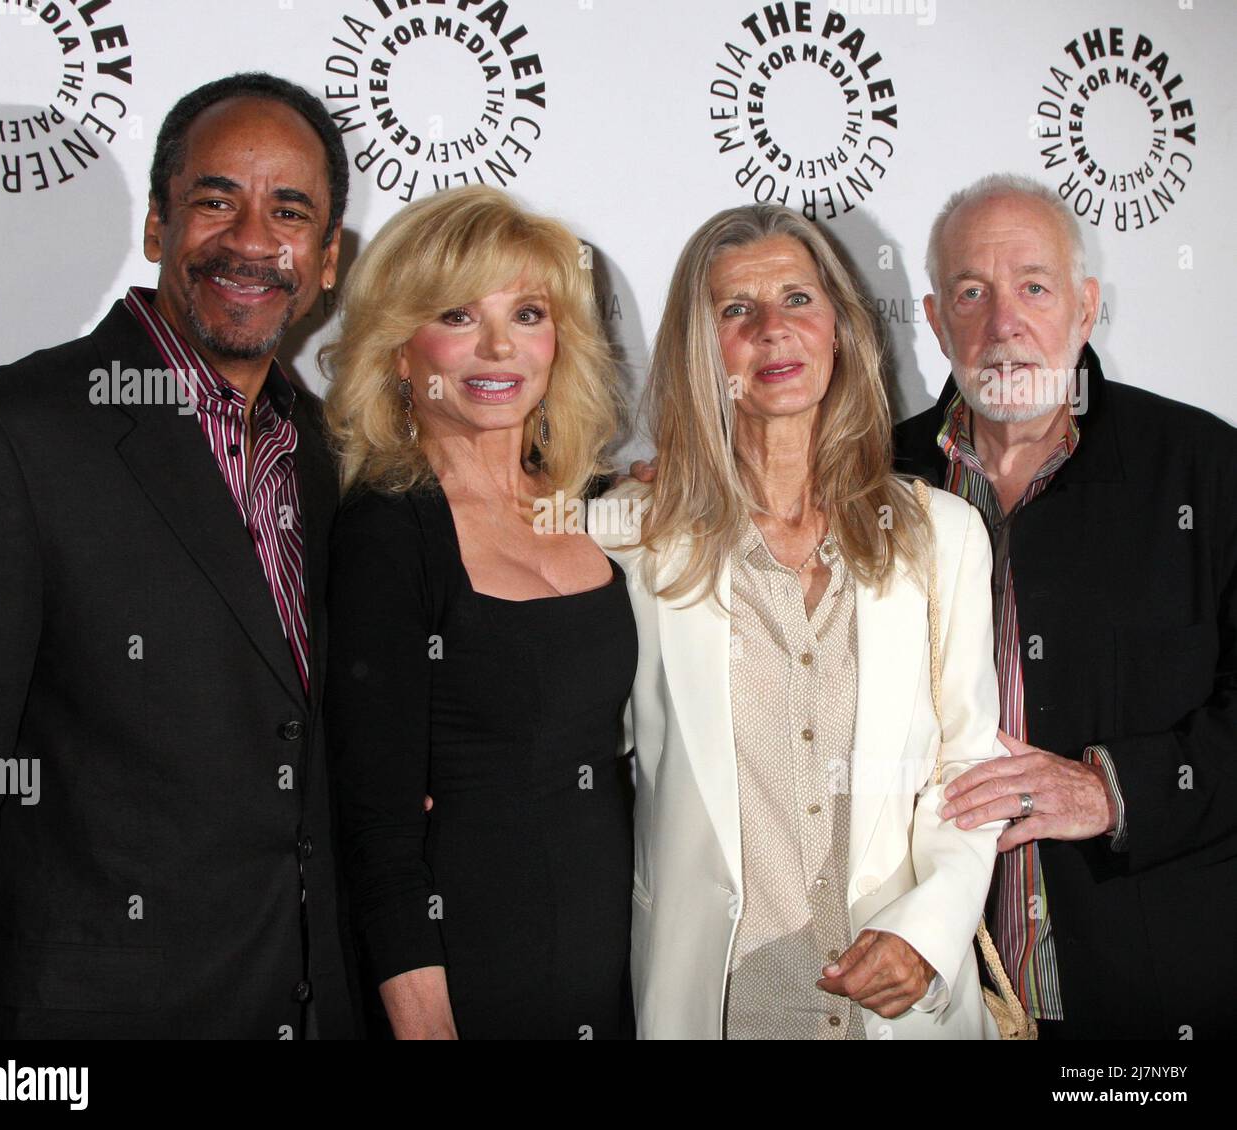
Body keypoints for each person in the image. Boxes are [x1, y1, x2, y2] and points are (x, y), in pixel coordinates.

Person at [0, 73, 359, 1039]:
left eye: (289, 212)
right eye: (217, 201)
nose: (253, 242)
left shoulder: (331, 457)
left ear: (328, 257)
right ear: (159, 228)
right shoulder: (7, 439)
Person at [597, 204, 1006, 1039]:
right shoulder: (628, 538)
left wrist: (927, 934)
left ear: (841, 330)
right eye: (736, 311)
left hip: (901, 1011)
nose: (773, 331)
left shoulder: (942, 537)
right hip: (717, 1007)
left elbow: (969, 774)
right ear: (700, 350)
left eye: (798, 300)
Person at [895, 173, 1237, 1040]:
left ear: (1085, 309)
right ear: (935, 321)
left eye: (1034, 288)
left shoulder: (1205, 470)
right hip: (931, 1000)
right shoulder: (871, 479)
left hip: (1156, 1003)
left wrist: (1111, 790)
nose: (1004, 324)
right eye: (972, 293)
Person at [322, 185, 636, 1040]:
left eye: (528, 313)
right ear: (398, 351)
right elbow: (377, 829)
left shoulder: (591, 509)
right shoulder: (388, 533)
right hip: (470, 971)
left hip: (616, 962)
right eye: (457, 315)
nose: (499, 346)